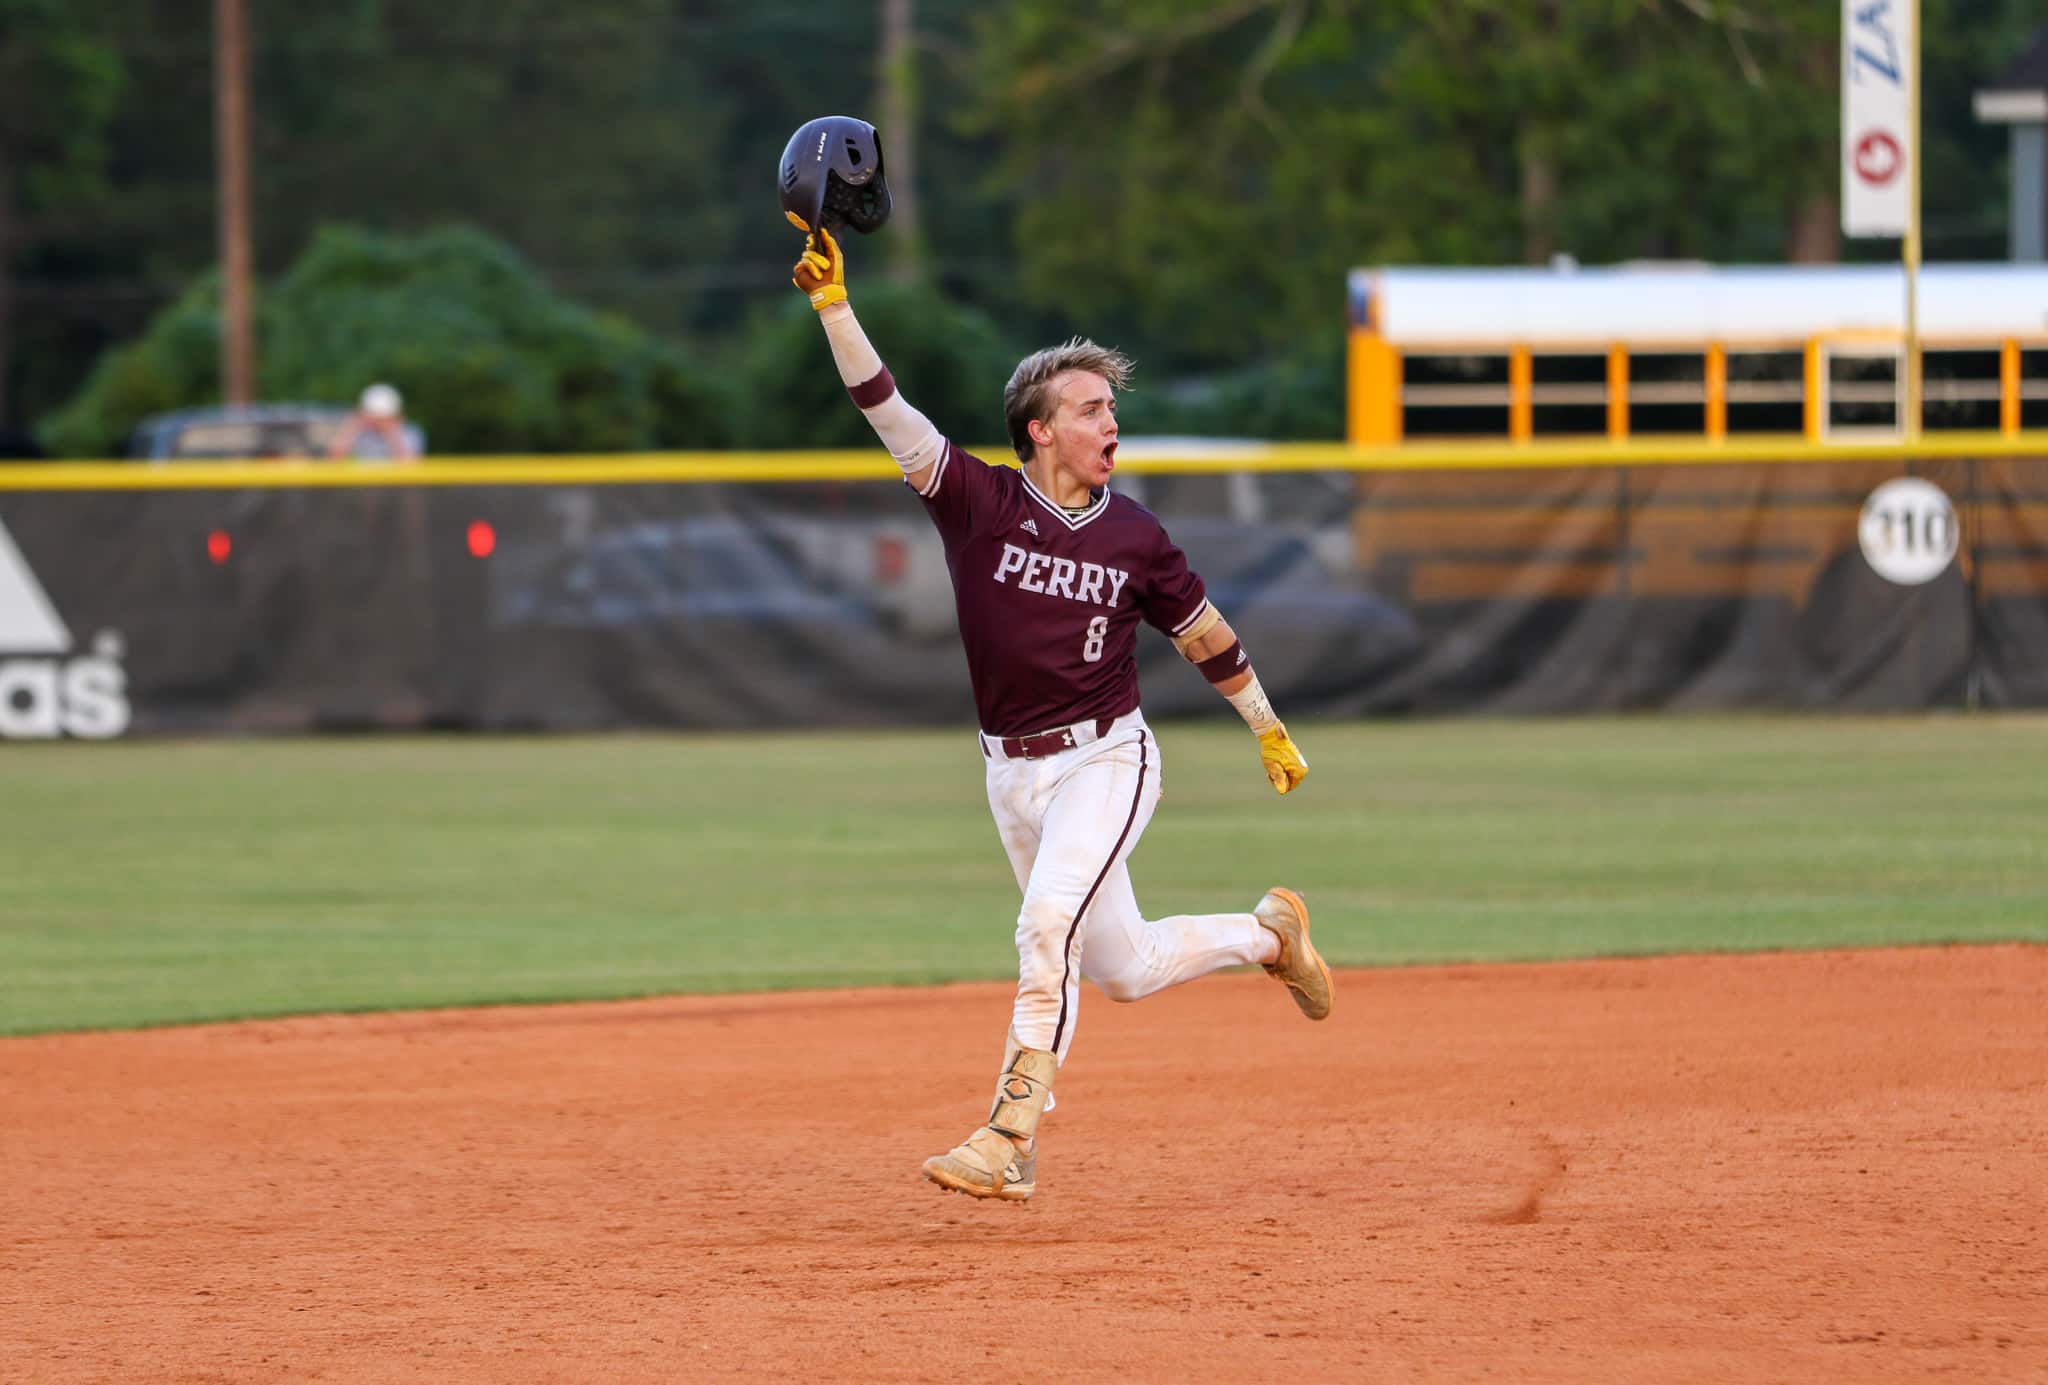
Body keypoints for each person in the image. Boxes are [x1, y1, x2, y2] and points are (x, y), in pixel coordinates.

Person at [790, 221, 1333, 1203]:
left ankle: (1010, 1131)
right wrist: (835, 307)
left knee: (1045, 922)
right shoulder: (978, 504)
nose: (1108, 420)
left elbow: (1201, 632)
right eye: (1087, 408)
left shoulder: (1134, 534)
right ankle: (1268, 934)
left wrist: (1263, 721)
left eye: (1111, 407)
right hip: (1010, 771)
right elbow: (884, 406)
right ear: (1039, 429)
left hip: (1105, 760)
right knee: (1116, 965)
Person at [326, 383, 420, 462]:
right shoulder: (358, 432)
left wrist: (391, 433)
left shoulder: (411, 433)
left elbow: (410, 465)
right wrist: (352, 428)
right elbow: (333, 461)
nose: (378, 422)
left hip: (395, 483)